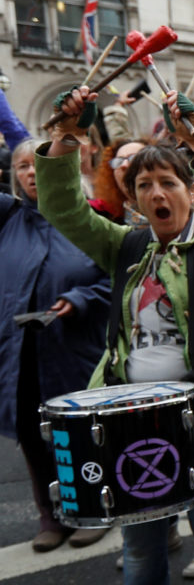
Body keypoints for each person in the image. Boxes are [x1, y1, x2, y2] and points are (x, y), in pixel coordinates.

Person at [37, 88, 194, 585]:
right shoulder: (125, 245)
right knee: (140, 546)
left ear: (191, 191)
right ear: (134, 198)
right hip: (130, 419)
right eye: (144, 185)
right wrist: (66, 136)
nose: (157, 193)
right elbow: (62, 209)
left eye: (168, 182)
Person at [1, 138, 112, 552]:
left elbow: (116, 278)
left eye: (39, 164)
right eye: (23, 166)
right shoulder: (7, 219)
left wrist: (80, 299)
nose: (32, 172)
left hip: (74, 348)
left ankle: (94, 508)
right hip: (19, 352)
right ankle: (51, 515)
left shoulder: (88, 220)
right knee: (33, 434)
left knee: (81, 430)